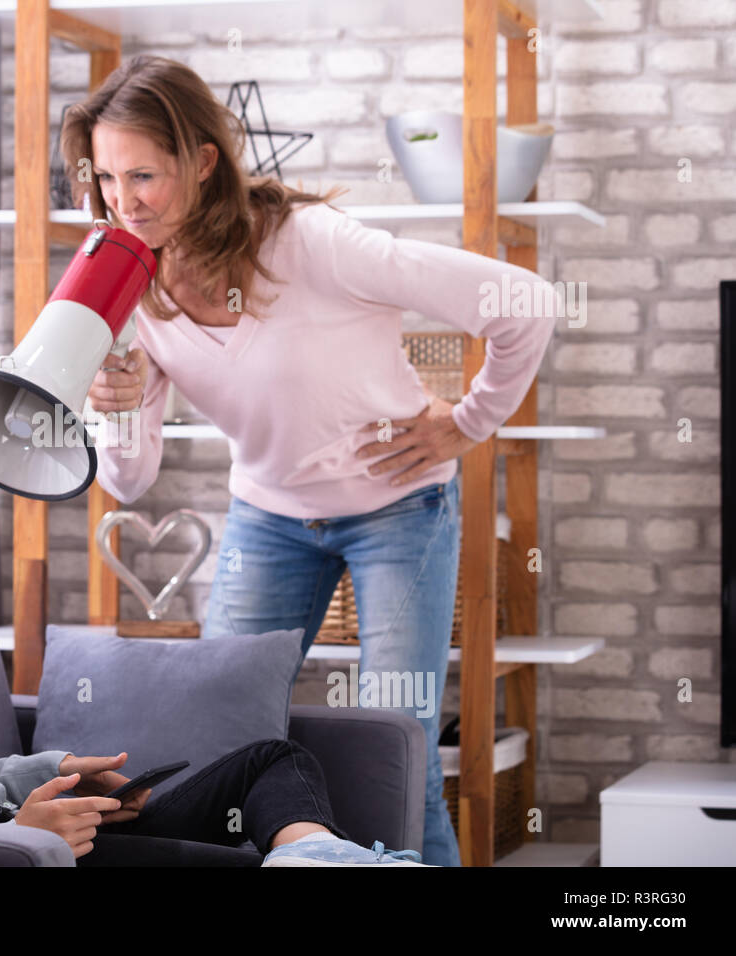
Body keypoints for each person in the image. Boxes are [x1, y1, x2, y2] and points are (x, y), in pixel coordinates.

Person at [76, 56, 561, 868]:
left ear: (202, 162)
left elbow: (527, 304)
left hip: (401, 509)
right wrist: (113, 404)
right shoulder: (132, 278)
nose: (123, 200)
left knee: (397, 748)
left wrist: (471, 420)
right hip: (268, 516)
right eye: (105, 178)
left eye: (144, 175)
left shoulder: (312, 245)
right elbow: (129, 480)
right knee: (216, 740)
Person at [0, 396, 428, 866]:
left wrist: (54, 772)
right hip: (8, 854)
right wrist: (19, 840)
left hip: (20, 829)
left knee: (274, 761)